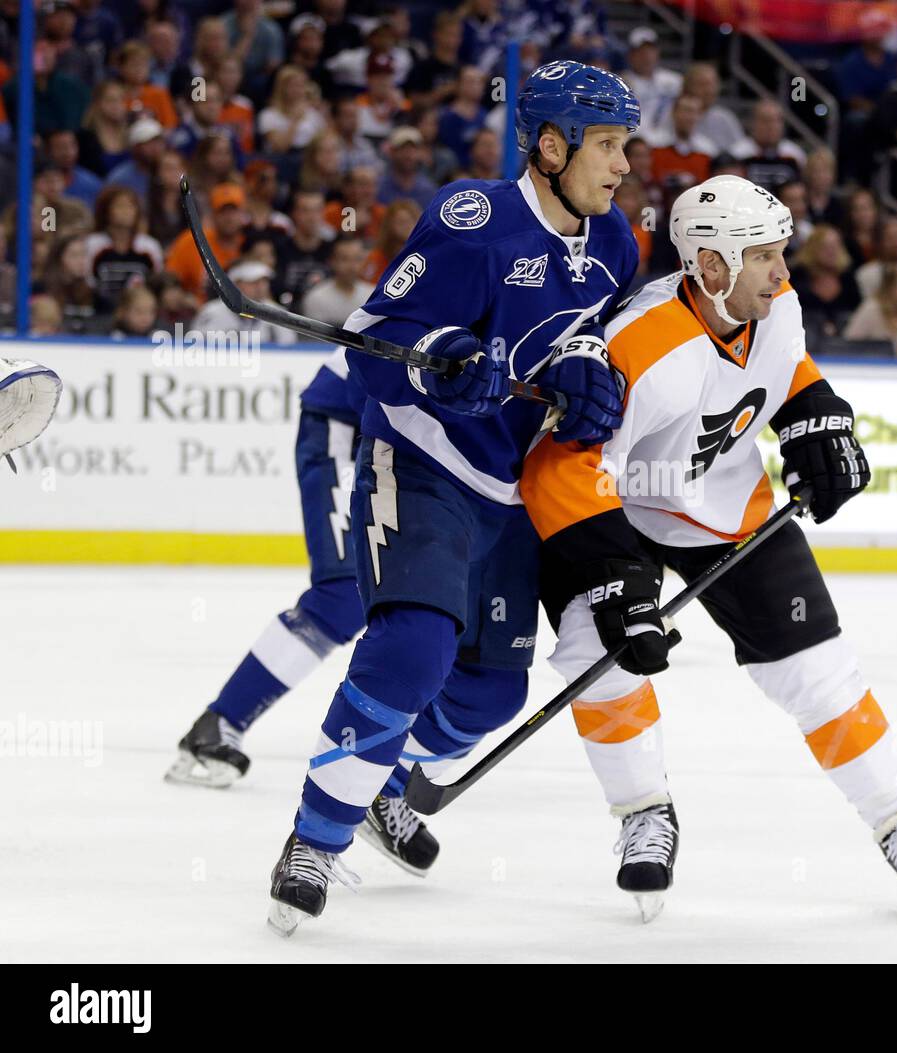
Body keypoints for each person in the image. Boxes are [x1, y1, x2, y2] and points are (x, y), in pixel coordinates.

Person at [519, 175, 897, 921]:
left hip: (729, 505)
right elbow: (561, 464)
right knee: (596, 653)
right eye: (764, 256)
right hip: (619, 514)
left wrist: (816, 416)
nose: (783, 272)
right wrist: (612, 575)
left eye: (781, 252)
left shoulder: (775, 303)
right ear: (711, 264)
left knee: (817, 670)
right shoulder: (642, 344)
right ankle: (643, 811)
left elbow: (786, 366)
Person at [266, 60, 642, 935]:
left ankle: (383, 782)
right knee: (413, 648)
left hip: (512, 490)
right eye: (607, 145)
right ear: (551, 147)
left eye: (627, 145)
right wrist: (438, 357)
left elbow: (591, 342)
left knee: (488, 696)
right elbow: (370, 343)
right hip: (424, 463)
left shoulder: (616, 242)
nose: (624, 165)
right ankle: (315, 840)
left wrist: (589, 377)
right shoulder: (474, 221)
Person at [168, 346, 366, 786]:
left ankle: (412, 753)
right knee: (346, 592)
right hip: (350, 423)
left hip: (419, 443)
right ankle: (221, 722)